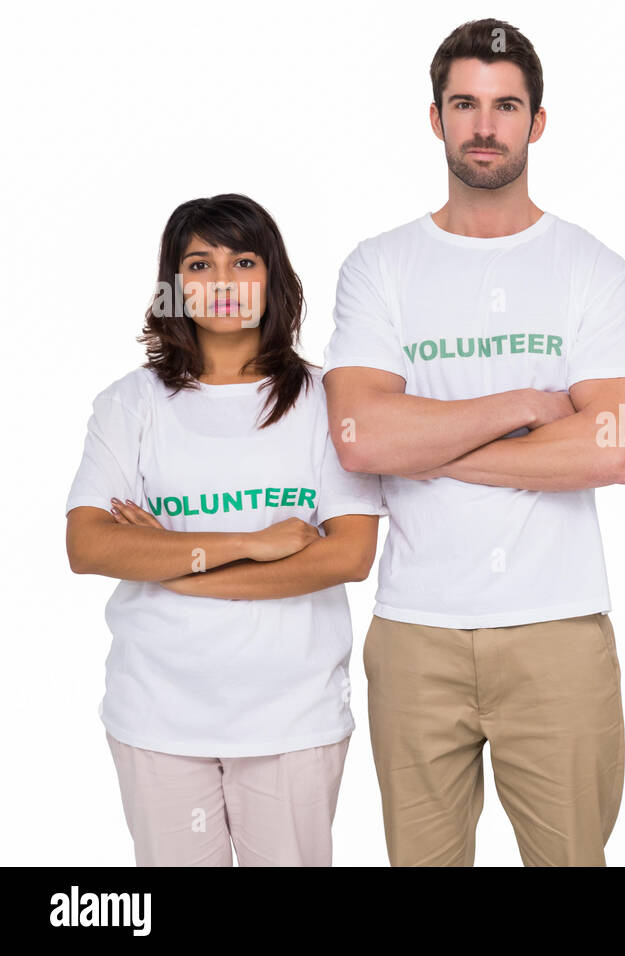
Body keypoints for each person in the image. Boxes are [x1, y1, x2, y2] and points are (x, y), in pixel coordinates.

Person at [323, 19, 625, 867]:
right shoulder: (381, 266)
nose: (485, 125)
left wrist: (426, 442)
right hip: (415, 630)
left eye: (506, 106)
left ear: (537, 123)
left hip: (557, 628)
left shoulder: (593, 268)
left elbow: (612, 448)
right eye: (465, 103)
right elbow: (359, 435)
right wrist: (523, 406)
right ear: (435, 118)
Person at [64, 193, 385, 866]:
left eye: (243, 261)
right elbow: (88, 544)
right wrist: (250, 543)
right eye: (199, 264)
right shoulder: (132, 403)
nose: (223, 283)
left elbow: (349, 555)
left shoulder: (327, 400)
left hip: (292, 717)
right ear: (173, 286)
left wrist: (172, 565)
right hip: (157, 715)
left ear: (273, 277)